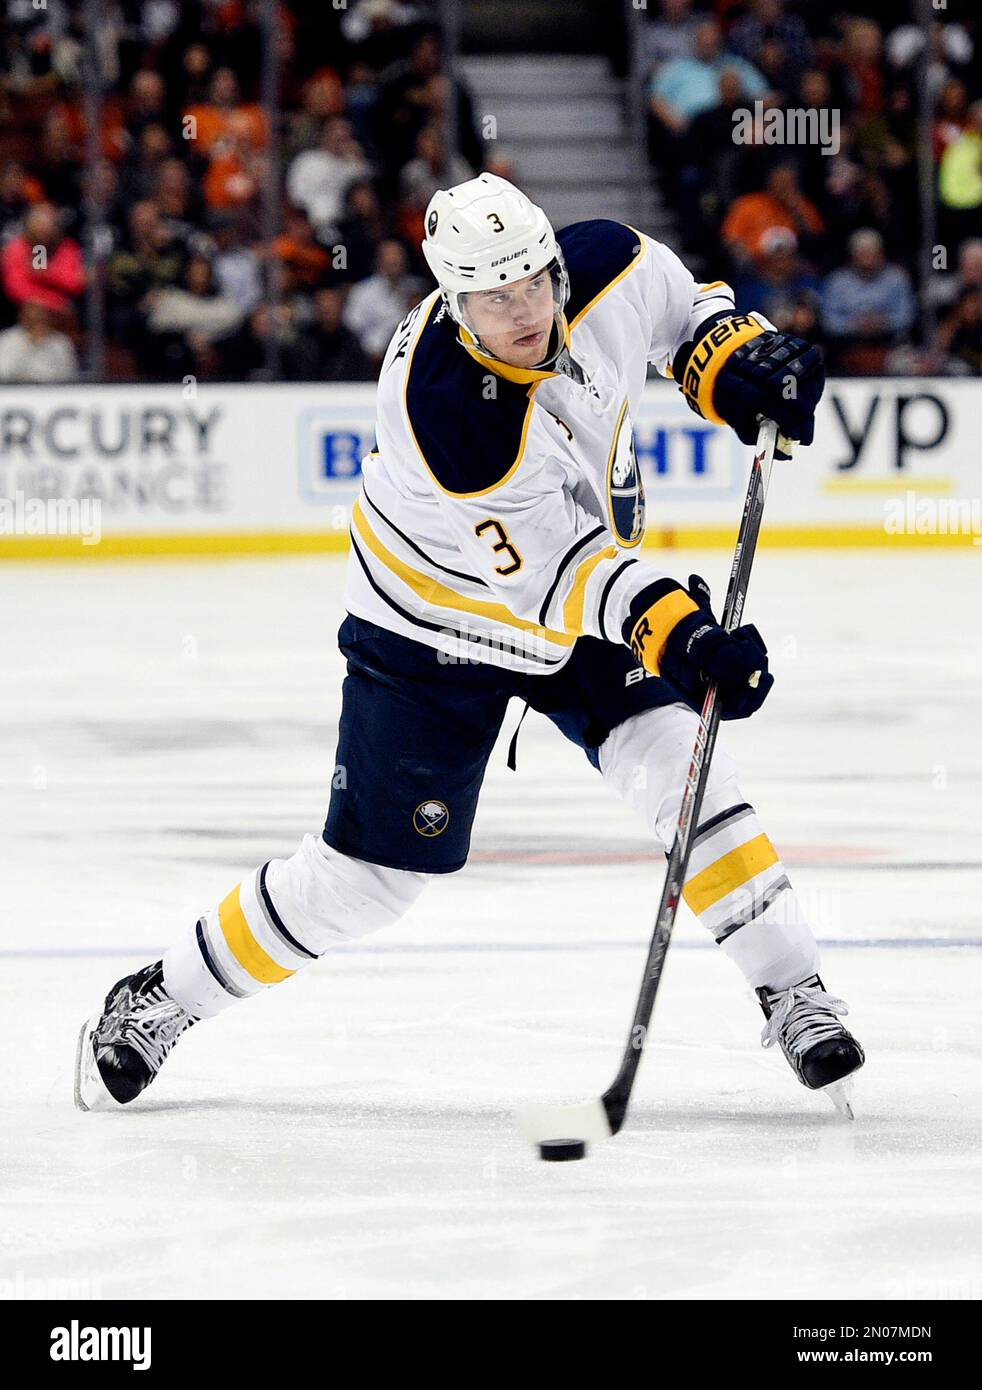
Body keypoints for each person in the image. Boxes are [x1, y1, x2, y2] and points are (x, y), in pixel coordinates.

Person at [74, 174, 863, 1118]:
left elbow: (685, 312)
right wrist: (685, 638)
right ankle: (163, 999)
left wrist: (734, 361)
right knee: (367, 884)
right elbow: (562, 579)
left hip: (577, 602)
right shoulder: (448, 412)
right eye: (493, 298)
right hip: (433, 629)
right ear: (453, 303)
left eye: (532, 281)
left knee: (682, 761)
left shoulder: (605, 260)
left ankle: (793, 988)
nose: (523, 310)